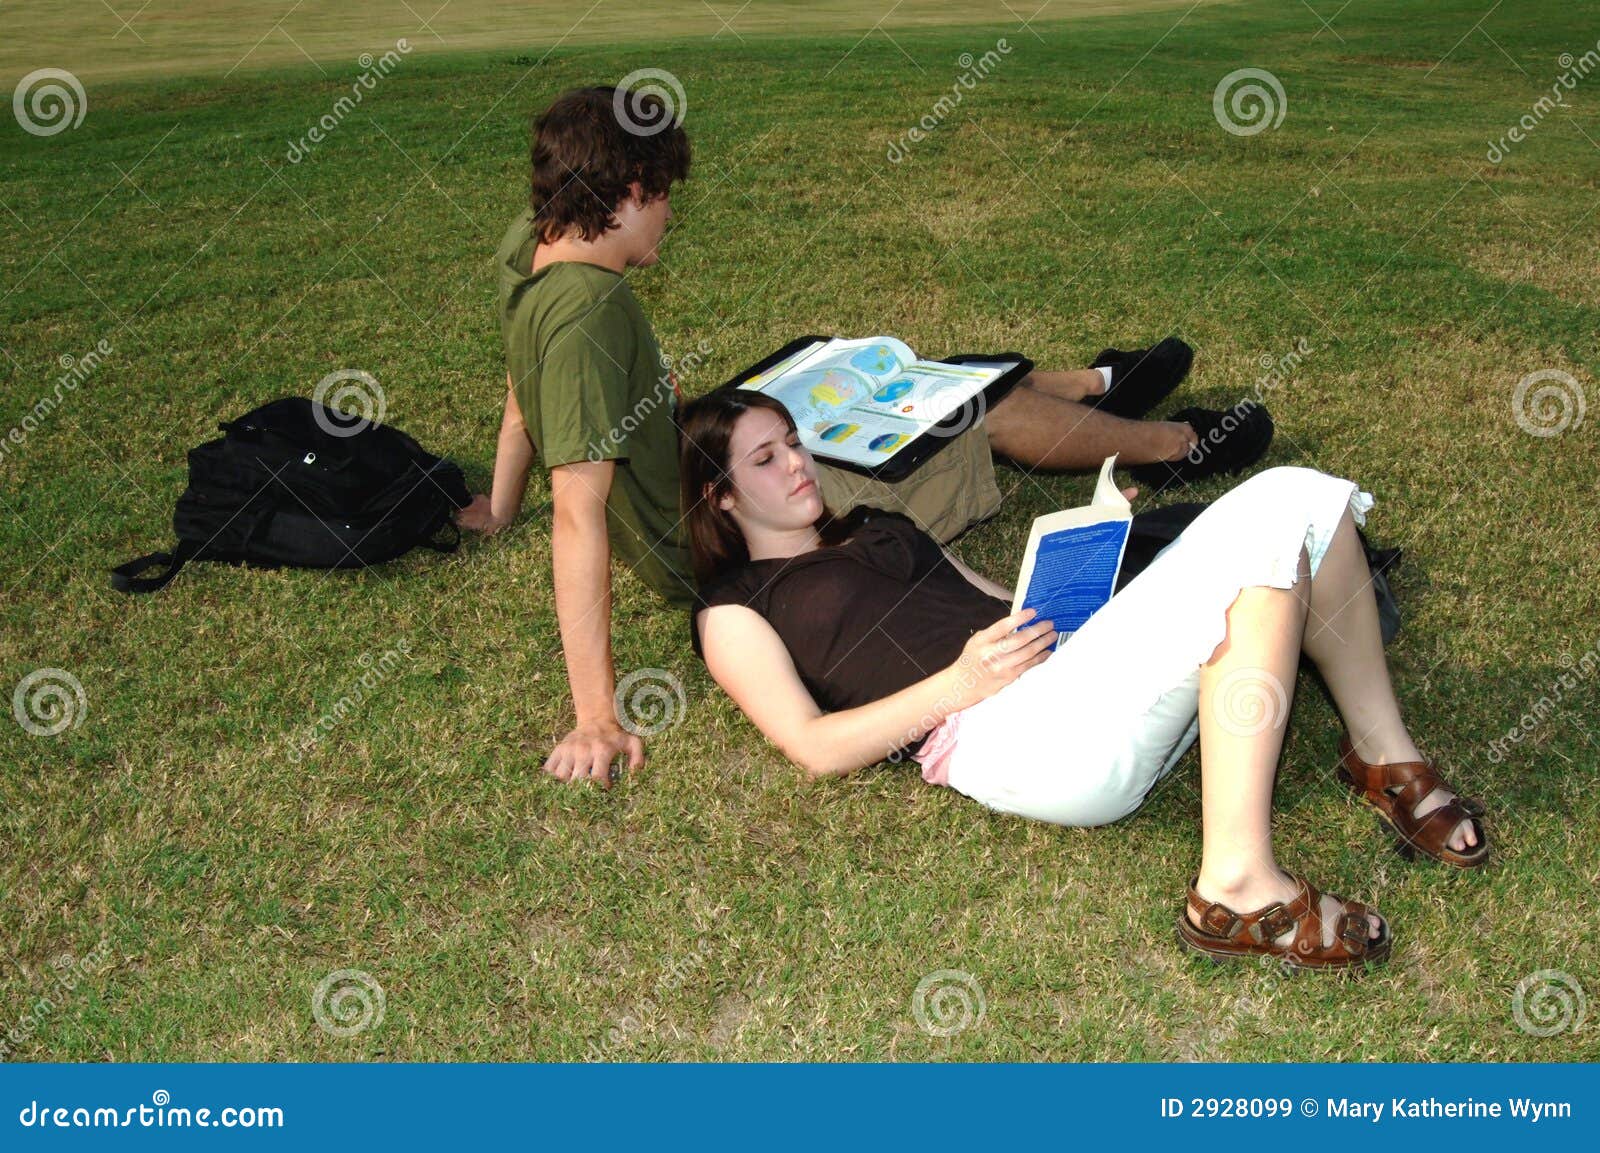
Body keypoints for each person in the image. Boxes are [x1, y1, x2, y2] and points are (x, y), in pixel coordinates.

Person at [459, 84, 1273, 788]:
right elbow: (577, 514)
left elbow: (523, 389)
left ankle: (1097, 385)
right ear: (631, 192)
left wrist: (499, 506)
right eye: (666, 192)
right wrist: (596, 714)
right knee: (957, 414)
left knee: (912, 380)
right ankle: (1173, 444)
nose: (671, 211)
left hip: (717, 449)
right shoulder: (587, 315)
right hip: (737, 511)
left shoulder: (529, 251)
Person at [680, 389, 1489, 970]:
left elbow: (1006, 606)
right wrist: (959, 684)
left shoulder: (877, 526)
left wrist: (1095, 559)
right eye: (765, 456)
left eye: (793, 440)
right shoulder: (736, 609)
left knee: (1305, 505)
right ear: (720, 498)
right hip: (1007, 739)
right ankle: (1234, 884)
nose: (796, 462)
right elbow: (813, 745)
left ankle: (1385, 759)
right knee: (1280, 503)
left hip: (1073, 685)